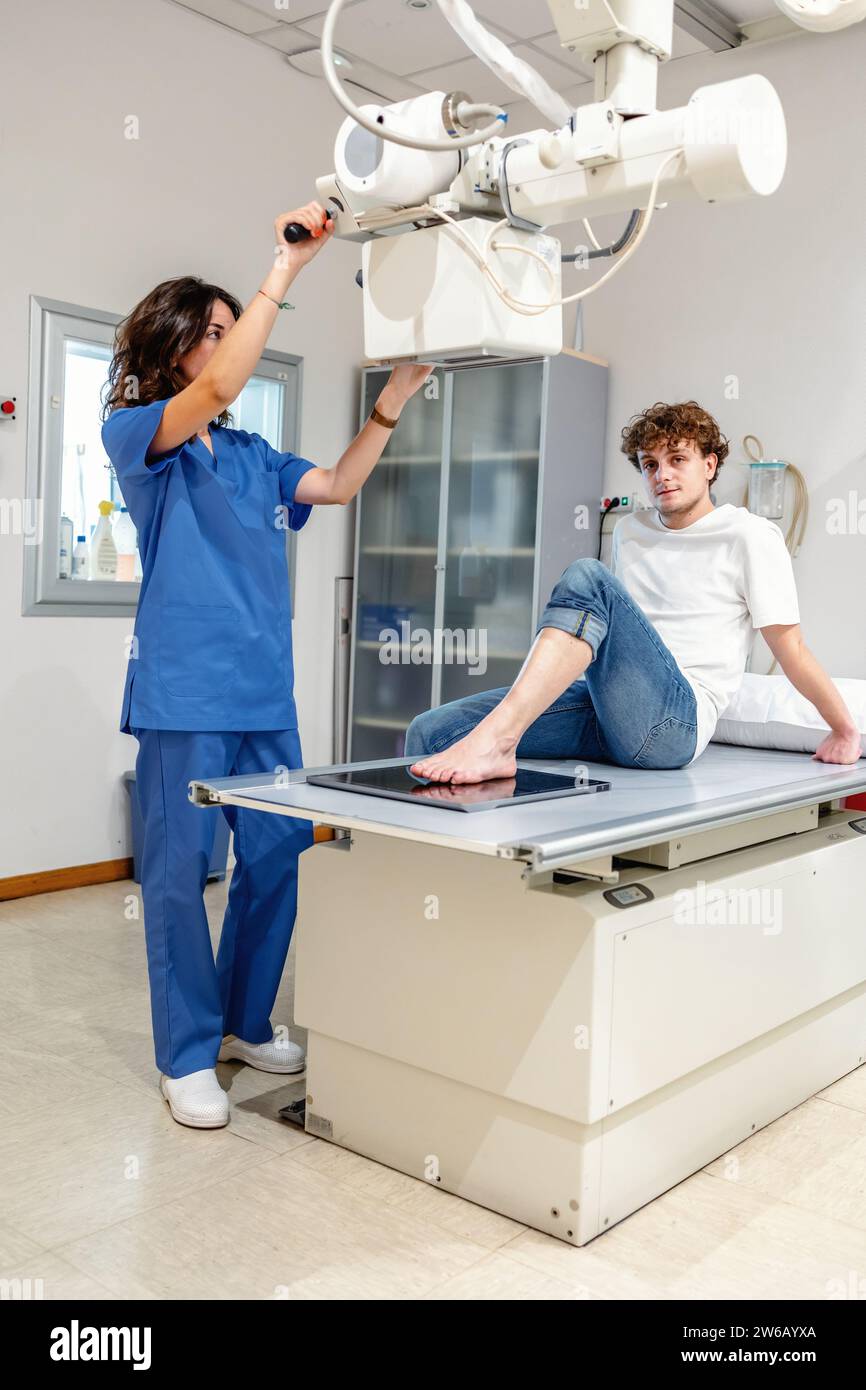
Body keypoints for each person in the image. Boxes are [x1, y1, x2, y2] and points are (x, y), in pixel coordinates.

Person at [102, 202, 431, 1128]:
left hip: (262, 694)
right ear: (177, 352)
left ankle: (246, 1021)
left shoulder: (252, 454)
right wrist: (283, 270)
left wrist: (390, 402)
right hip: (182, 692)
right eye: (216, 333)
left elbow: (335, 483)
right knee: (176, 875)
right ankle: (186, 1053)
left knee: (279, 855)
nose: (232, 343)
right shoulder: (141, 435)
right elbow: (206, 398)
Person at [406, 401, 860, 783]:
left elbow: (792, 648)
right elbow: (607, 642)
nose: (662, 474)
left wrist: (843, 728)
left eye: (677, 459)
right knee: (431, 733)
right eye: (650, 464)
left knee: (587, 576)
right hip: (604, 707)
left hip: (671, 724)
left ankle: (497, 742)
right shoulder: (631, 531)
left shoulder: (750, 536)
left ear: (709, 464)